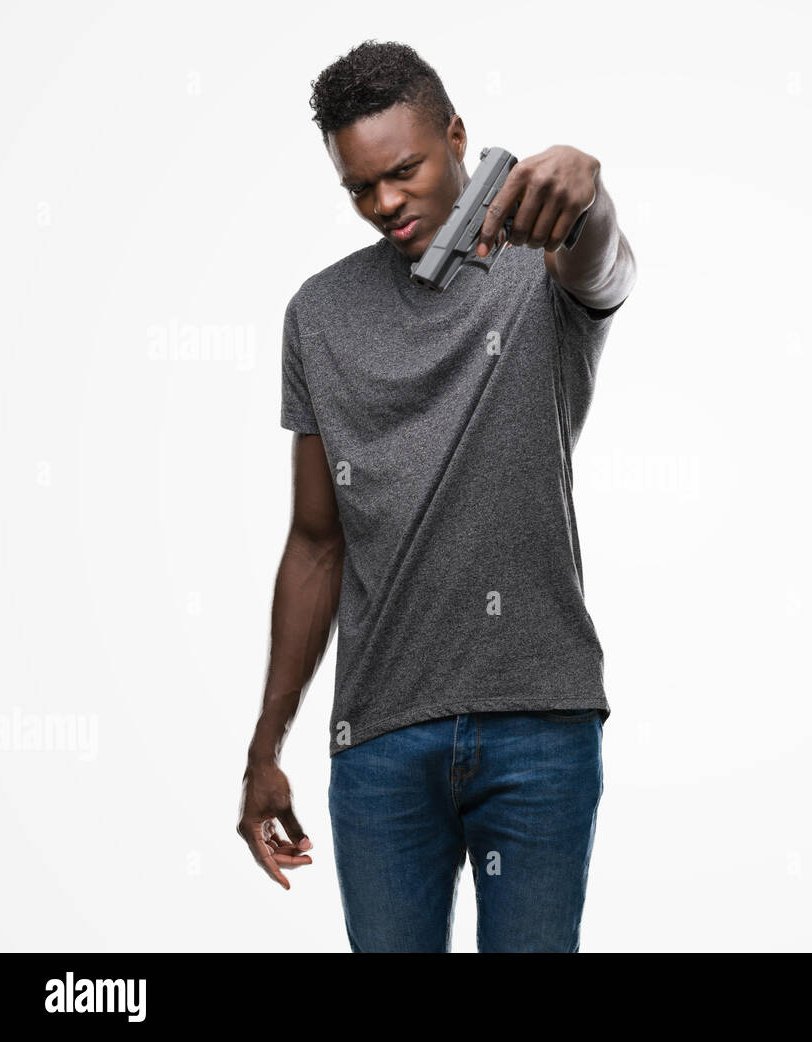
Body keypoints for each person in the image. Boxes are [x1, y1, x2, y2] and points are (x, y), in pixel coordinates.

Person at [235, 39, 636, 953]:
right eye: (359, 187)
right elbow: (314, 543)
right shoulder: (319, 314)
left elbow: (606, 269)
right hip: (378, 743)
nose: (385, 203)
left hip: (539, 724)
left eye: (404, 171)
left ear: (456, 135)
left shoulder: (544, 263)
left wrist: (590, 193)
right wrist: (266, 749)